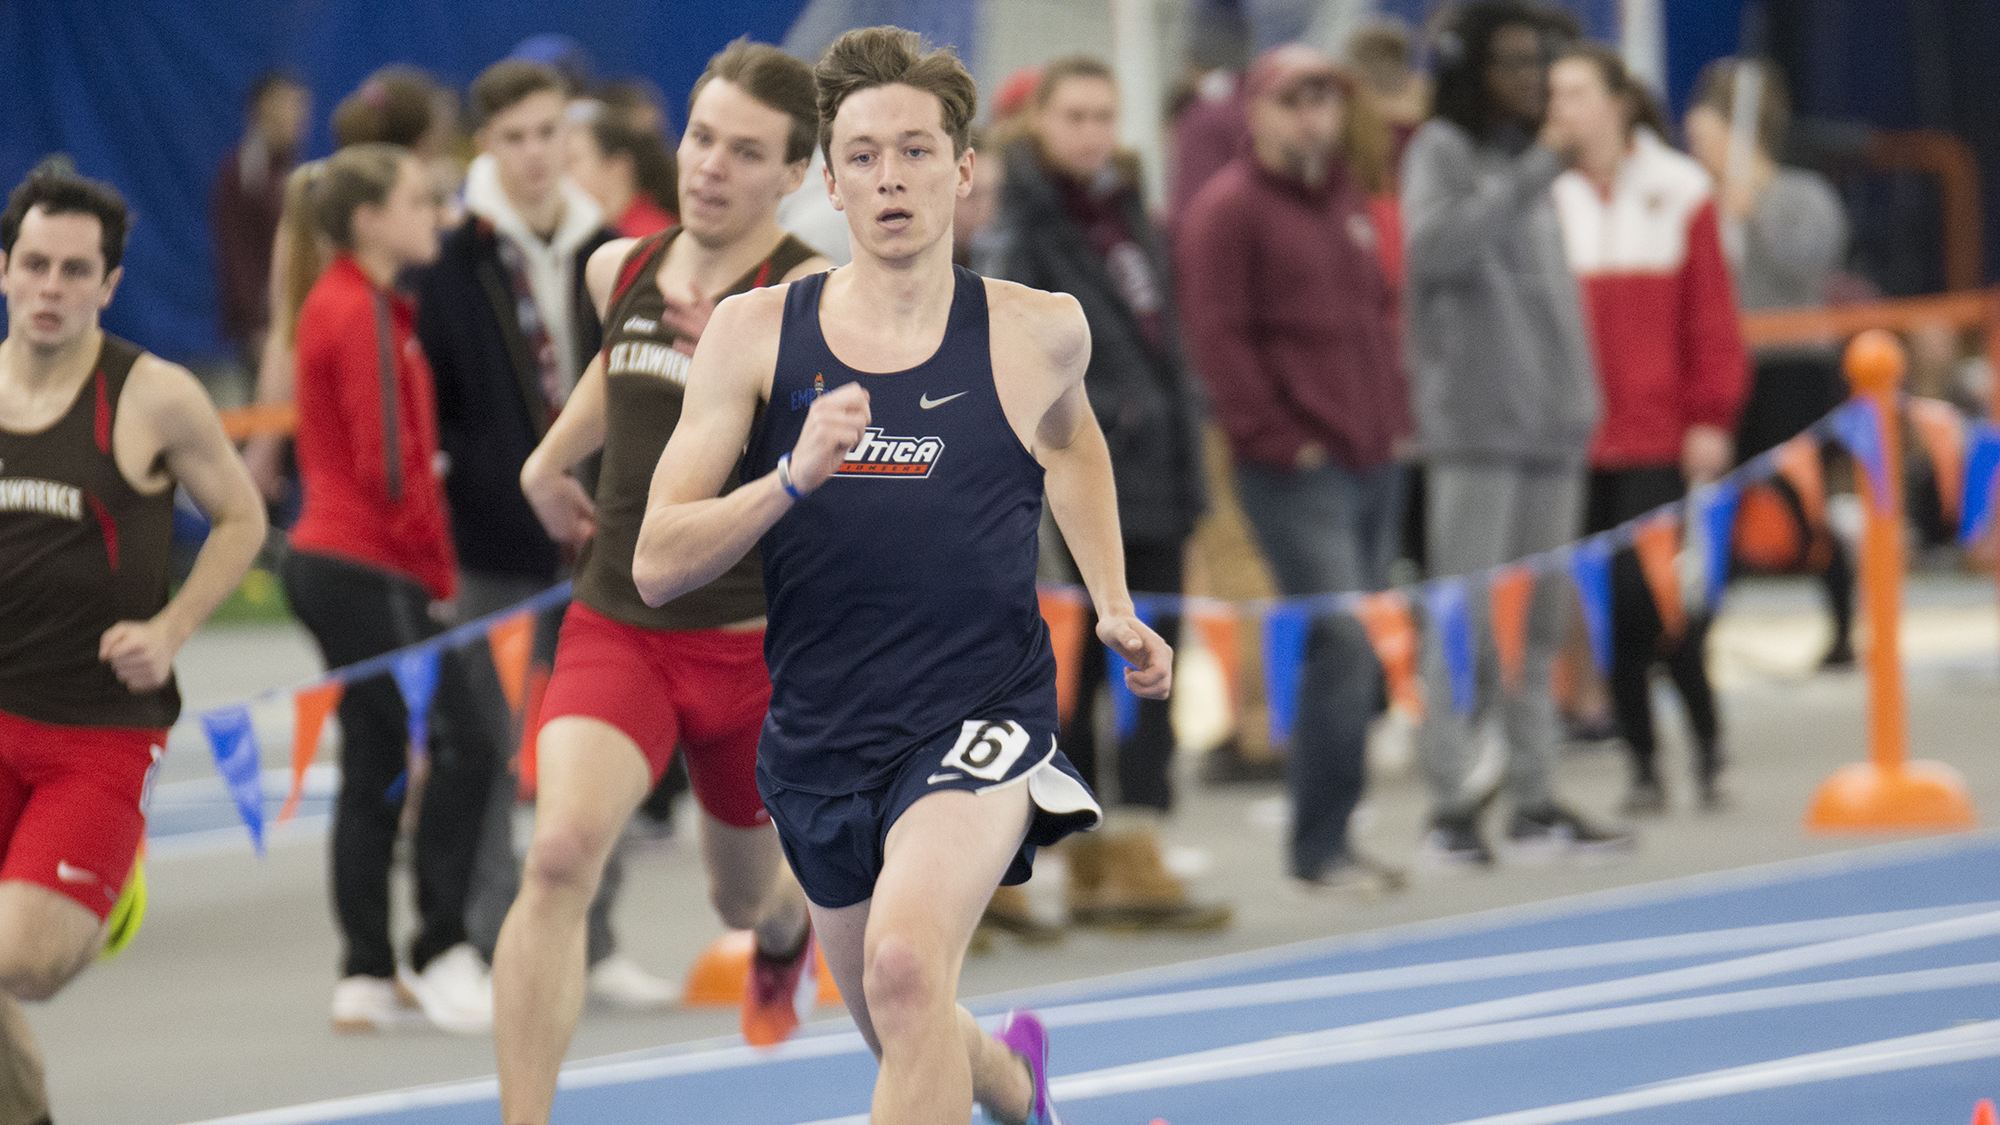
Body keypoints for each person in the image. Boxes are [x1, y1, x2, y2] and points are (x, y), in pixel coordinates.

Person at [634, 26, 1168, 1125]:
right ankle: (1020, 1089)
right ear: (826, 181)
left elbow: (1070, 443)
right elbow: (655, 562)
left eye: (918, 151)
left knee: (907, 970)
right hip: (823, 732)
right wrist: (790, 477)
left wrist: (1110, 600)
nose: (891, 178)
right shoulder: (753, 336)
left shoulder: (1036, 331)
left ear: (964, 170)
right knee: (897, 1017)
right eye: (865, 155)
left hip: (981, 712)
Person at [493, 38, 827, 1125]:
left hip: (750, 646)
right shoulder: (617, 266)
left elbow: (847, 449)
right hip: (618, 625)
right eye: (700, 137)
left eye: (745, 152)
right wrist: (548, 459)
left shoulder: (807, 295)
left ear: (791, 175)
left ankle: (785, 936)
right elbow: (617, 377)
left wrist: (753, 362)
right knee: (554, 858)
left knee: (741, 897)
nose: (710, 167)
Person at [0, 171, 266, 1122]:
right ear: (4, 269)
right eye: (34, 264)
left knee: (23, 963)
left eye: (75, 270)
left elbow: (241, 517)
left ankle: (112, 888)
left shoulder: (154, 396)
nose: (50, 287)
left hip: (99, 729)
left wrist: (170, 626)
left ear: (108, 285)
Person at [412, 60, 674, 1008]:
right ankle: (478, 942)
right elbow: (437, 405)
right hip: (490, 537)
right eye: (514, 137)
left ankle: (596, 940)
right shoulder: (451, 257)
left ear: (570, 139)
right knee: (485, 744)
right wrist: (484, 491)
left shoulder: (610, 246)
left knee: (600, 745)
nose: (534, 155)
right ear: (486, 143)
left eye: (547, 135)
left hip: (600, 536)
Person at [983, 56, 1223, 932]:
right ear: (1038, 122)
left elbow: (1164, 332)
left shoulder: (1127, 211)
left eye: (1103, 115)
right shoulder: (1022, 219)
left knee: (1158, 642)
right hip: (1077, 459)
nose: (1091, 132)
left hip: (1159, 459)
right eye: (1073, 115)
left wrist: (1179, 422)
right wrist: (1110, 413)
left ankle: (1141, 833)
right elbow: (1022, 341)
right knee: (1075, 656)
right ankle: (1074, 839)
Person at [1401, 0, 1630, 866]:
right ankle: (1450, 806)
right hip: (1476, 432)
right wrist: (1538, 169)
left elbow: (1548, 303)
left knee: (1538, 626)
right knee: (1462, 623)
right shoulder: (1444, 153)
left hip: (1551, 428)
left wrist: (1582, 399)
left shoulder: (1517, 168)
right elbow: (1436, 249)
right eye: (1512, 64)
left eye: (1539, 65)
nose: (1530, 81)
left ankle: (1532, 798)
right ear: (1468, 70)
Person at [1178, 43, 1411, 894]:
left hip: (1372, 453)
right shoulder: (1228, 211)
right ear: (1256, 111)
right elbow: (1217, 338)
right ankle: (1321, 844)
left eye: (1323, 100)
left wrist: (1392, 420)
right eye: (1293, 101)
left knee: (1350, 645)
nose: (1311, 116)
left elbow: (1372, 322)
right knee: (1341, 640)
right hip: (1297, 466)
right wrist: (1278, 437)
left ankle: (1334, 834)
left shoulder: (1347, 201)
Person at [277, 144, 499, 1034]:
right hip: (367, 566)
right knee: (470, 742)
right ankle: (441, 945)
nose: (437, 215)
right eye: (418, 201)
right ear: (368, 220)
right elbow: (394, 471)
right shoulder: (357, 310)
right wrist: (438, 579)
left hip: (350, 564)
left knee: (376, 761)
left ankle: (366, 969)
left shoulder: (363, 305)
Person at [1548, 45, 1747, 813]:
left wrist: (1711, 414)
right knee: (1608, 606)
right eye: (1554, 95)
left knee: (1657, 599)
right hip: (1575, 440)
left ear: (1617, 102)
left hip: (1661, 434)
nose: (1560, 109)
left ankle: (1706, 740)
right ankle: (1643, 762)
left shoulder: (1681, 189)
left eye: (1575, 92)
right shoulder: (1546, 196)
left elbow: (1713, 318)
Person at [1684, 56, 1856, 670]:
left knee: (1799, 501)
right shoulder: (1693, 197)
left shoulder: (1797, 193)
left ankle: (1842, 626)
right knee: (1720, 503)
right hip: (1724, 367)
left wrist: (1753, 198)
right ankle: (1694, 633)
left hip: (1792, 366)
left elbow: (1810, 259)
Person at [242, 66, 441, 507]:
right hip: (362, 457)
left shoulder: (434, 229)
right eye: (418, 201)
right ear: (424, 144)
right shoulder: (315, 211)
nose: (428, 212)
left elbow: (284, 335)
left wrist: (264, 447)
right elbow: (288, 333)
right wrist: (264, 446)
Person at [211, 72, 310, 371]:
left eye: (302, 107)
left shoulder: (296, 170)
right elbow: (235, 254)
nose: (297, 115)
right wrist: (255, 324)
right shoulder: (242, 173)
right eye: (288, 105)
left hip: (296, 315)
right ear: (263, 109)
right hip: (264, 325)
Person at [565, 98, 679, 237]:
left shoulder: (648, 239)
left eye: (572, 161)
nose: (562, 174)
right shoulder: (595, 231)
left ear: (617, 168)